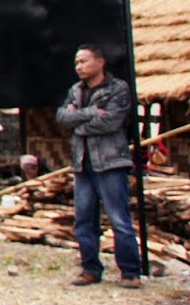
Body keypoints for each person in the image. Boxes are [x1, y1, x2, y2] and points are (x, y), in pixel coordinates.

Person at [56, 44, 141, 288]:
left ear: (100, 62)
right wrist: (92, 112)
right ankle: (90, 268)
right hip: (83, 162)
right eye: (76, 63)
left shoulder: (118, 89)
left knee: (118, 218)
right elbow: (62, 118)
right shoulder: (75, 90)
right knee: (83, 219)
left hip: (111, 161)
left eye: (83, 61)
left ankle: (130, 271)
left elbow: (112, 122)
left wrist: (78, 119)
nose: (79, 67)